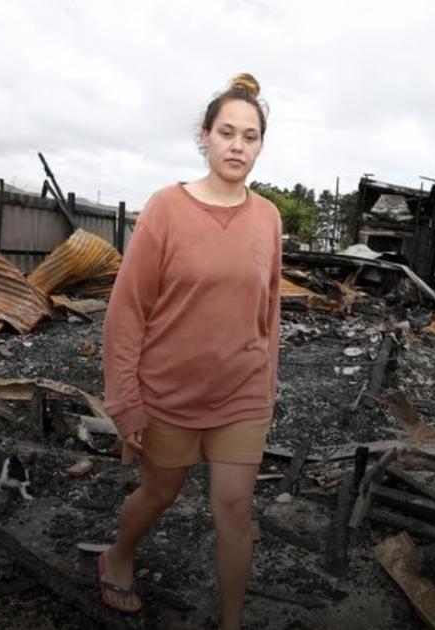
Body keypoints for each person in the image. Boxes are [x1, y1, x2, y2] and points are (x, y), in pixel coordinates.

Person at [98, 72, 281, 629]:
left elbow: (269, 311)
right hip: (169, 394)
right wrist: (125, 399)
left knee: (233, 509)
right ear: (205, 137)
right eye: (227, 132)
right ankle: (118, 554)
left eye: (249, 137)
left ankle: (231, 622)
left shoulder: (269, 218)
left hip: (242, 395)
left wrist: (268, 383)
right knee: (160, 493)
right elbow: (127, 310)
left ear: (260, 146)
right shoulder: (166, 209)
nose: (237, 146)